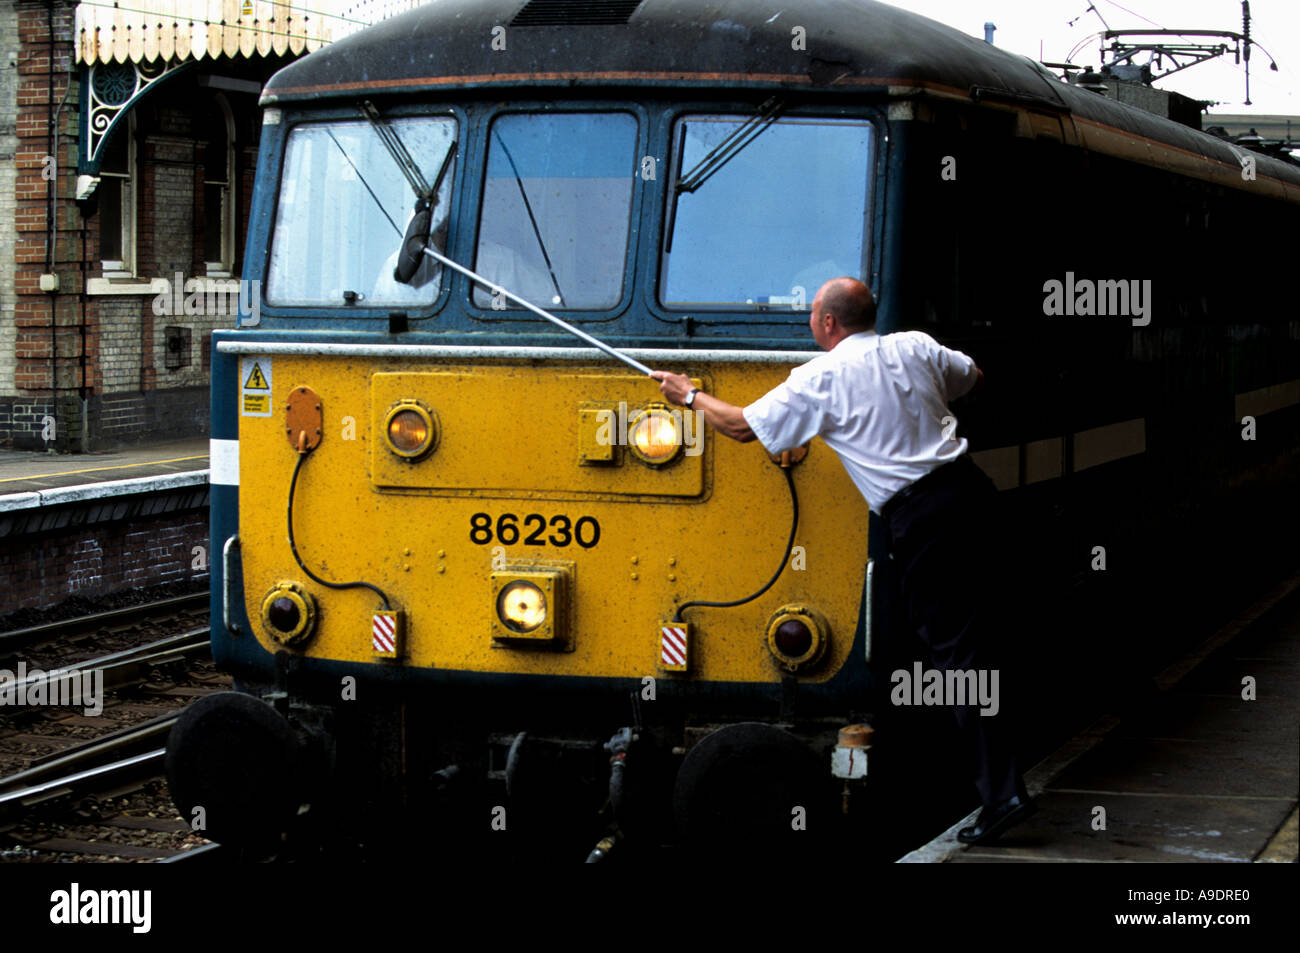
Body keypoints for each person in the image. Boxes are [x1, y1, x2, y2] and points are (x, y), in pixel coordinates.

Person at [649, 276, 1034, 846]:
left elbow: (738, 427)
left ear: (828, 323)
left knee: (959, 659)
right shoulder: (915, 346)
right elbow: (974, 376)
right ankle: (996, 778)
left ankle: (1003, 796)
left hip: (922, 518)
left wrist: (686, 394)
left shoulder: (818, 379)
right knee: (985, 641)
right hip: (973, 496)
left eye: (811, 312)